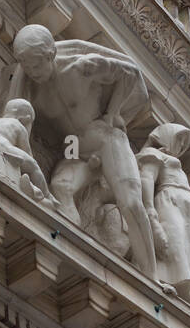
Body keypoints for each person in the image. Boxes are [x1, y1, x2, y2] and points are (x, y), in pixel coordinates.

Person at [9, 24, 157, 276]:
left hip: (106, 139)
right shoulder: (29, 84)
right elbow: (12, 111)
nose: (32, 72)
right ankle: (73, 250)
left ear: (50, 55)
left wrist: (111, 115)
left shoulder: (80, 66)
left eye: (36, 65)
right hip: (73, 148)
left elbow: (131, 74)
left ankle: (151, 276)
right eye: (27, 66)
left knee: (131, 203)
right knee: (62, 188)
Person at [138, 123, 190, 314]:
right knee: (175, 241)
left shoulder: (170, 159)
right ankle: (169, 281)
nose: (180, 146)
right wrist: (150, 212)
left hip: (187, 208)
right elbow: (146, 178)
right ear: (165, 137)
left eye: (182, 143)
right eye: (177, 139)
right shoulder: (154, 154)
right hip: (169, 200)